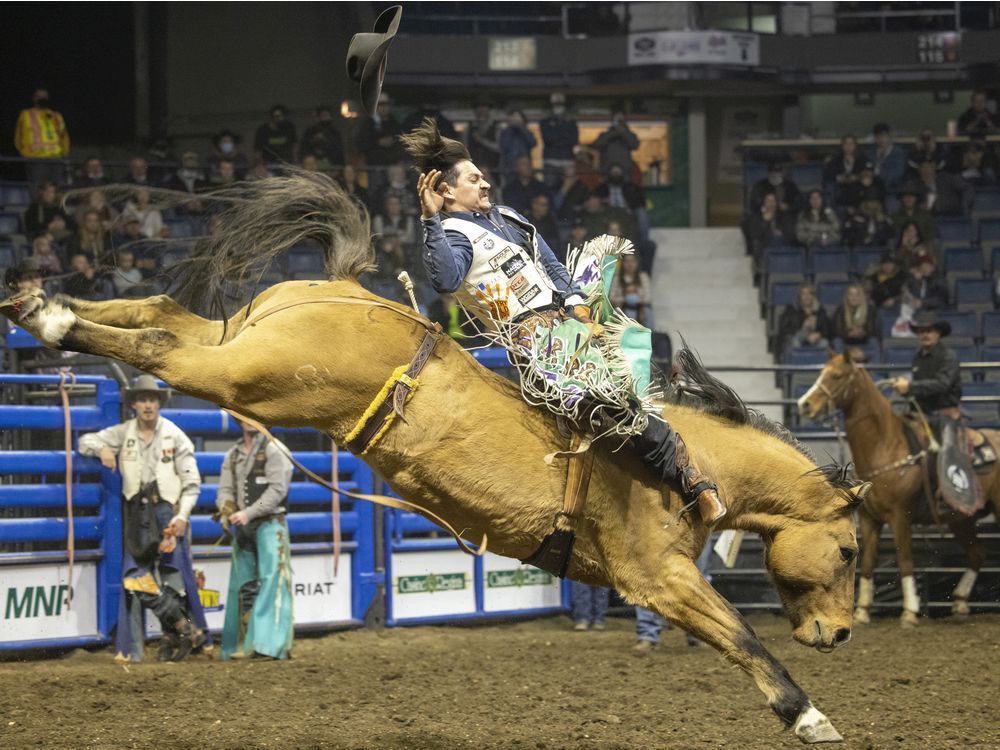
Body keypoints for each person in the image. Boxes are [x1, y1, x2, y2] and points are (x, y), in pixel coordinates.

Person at [404, 118, 725, 525]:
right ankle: (692, 482)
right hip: (538, 345)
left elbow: (552, 265)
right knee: (610, 403)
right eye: (474, 178)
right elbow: (445, 279)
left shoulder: (508, 216)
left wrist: (577, 304)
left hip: (570, 322)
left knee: (640, 369)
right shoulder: (452, 234)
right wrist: (430, 220)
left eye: (483, 176)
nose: (485, 184)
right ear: (447, 191)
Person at [77, 375, 208, 662]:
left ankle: (171, 640)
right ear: (134, 404)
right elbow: (85, 441)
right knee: (135, 577)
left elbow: (192, 482)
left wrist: (183, 516)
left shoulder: (174, 435)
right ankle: (182, 628)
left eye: (153, 399)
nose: (148, 405)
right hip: (137, 513)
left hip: (167, 513)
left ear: (159, 404)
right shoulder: (125, 432)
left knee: (173, 577)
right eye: (143, 399)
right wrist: (102, 449)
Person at [215, 419, 294, 660]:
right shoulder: (232, 455)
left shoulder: (275, 450)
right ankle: (244, 644)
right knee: (242, 583)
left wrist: (247, 513)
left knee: (272, 581)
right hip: (245, 526)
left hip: (271, 523)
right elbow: (225, 490)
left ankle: (268, 645)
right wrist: (226, 509)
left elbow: (277, 490)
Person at [14, 87, 70, 192]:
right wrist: (25, 154)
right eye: (40, 96)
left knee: (58, 189)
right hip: (36, 160)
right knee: (38, 190)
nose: (42, 98)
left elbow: (64, 136)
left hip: (56, 159)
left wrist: (64, 154)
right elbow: (18, 137)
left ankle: (57, 208)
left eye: (45, 96)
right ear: (34, 99)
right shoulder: (26, 115)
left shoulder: (56, 116)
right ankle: (38, 208)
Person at [777, 283, 830, 354]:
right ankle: (798, 363)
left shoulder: (820, 310)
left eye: (809, 294)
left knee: (824, 343)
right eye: (803, 294)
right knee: (795, 341)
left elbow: (827, 329)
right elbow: (784, 329)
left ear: (813, 296)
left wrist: (819, 334)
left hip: (815, 338)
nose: (807, 297)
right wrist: (803, 327)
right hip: (797, 337)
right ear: (799, 296)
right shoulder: (792, 309)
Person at [539, 93, 579, 188]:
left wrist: (557, 134)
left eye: (560, 104)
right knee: (549, 189)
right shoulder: (544, 122)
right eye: (555, 105)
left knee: (570, 188)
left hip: (567, 160)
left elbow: (574, 141)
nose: (558, 107)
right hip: (550, 161)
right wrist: (564, 136)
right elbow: (548, 138)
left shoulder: (571, 122)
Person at [590, 111, 639, 176]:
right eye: (617, 120)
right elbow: (596, 145)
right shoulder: (605, 135)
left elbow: (634, 145)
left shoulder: (630, 135)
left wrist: (624, 133)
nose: (619, 122)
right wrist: (613, 133)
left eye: (621, 120)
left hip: (624, 172)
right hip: (607, 172)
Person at [609, 253, 652, 328]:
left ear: (637, 263)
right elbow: (612, 298)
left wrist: (636, 300)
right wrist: (625, 300)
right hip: (622, 310)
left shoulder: (643, 277)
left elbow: (648, 298)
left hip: (640, 310)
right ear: (623, 263)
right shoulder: (617, 278)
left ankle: (650, 335)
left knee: (647, 311)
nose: (630, 264)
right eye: (627, 261)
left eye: (632, 261)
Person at [823, 134, 863, 209]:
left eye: (851, 144)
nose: (848, 146)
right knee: (830, 188)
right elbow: (829, 176)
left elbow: (867, 174)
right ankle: (830, 214)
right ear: (842, 146)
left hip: (856, 187)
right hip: (840, 188)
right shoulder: (835, 159)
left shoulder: (862, 159)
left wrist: (856, 177)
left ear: (855, 145)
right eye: (846, 144)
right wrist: (840, 178)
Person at [498, 108, 537, 185]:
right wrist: (510, 128)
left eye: (517, 117)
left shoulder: (527, 132)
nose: (515, 120)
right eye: (513, 117)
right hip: (509, 168)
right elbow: (504, 146)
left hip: (524, 167)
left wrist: (521, 128)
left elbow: (533, 143)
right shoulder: (505, 132)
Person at [300, 105, 345, 170]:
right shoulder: (310, 132)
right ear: (318, 117)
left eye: (327, 115)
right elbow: (304, 148)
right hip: (313, 163)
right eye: (323, 115)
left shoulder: (335, 133)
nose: (325, 118)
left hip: (332, 164)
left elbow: (338, 150)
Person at [868, 123, 906, 194]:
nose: (881, 139)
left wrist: (877, 178)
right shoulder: (871, 153)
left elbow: (896, 174)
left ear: (889, 137)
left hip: (891, 189)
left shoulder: (897, 153)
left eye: (883, 136)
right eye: (878, 137)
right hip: (871, 189)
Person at [466, 100, 501, 172]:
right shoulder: (470, 127)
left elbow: (500, 147)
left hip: (493, 168)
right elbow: (464, 148)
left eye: (484, 110)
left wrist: (482, 141)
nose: (481, 112)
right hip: (474, 167)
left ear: (489, 111)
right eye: (479, 110)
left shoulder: (497, 126)